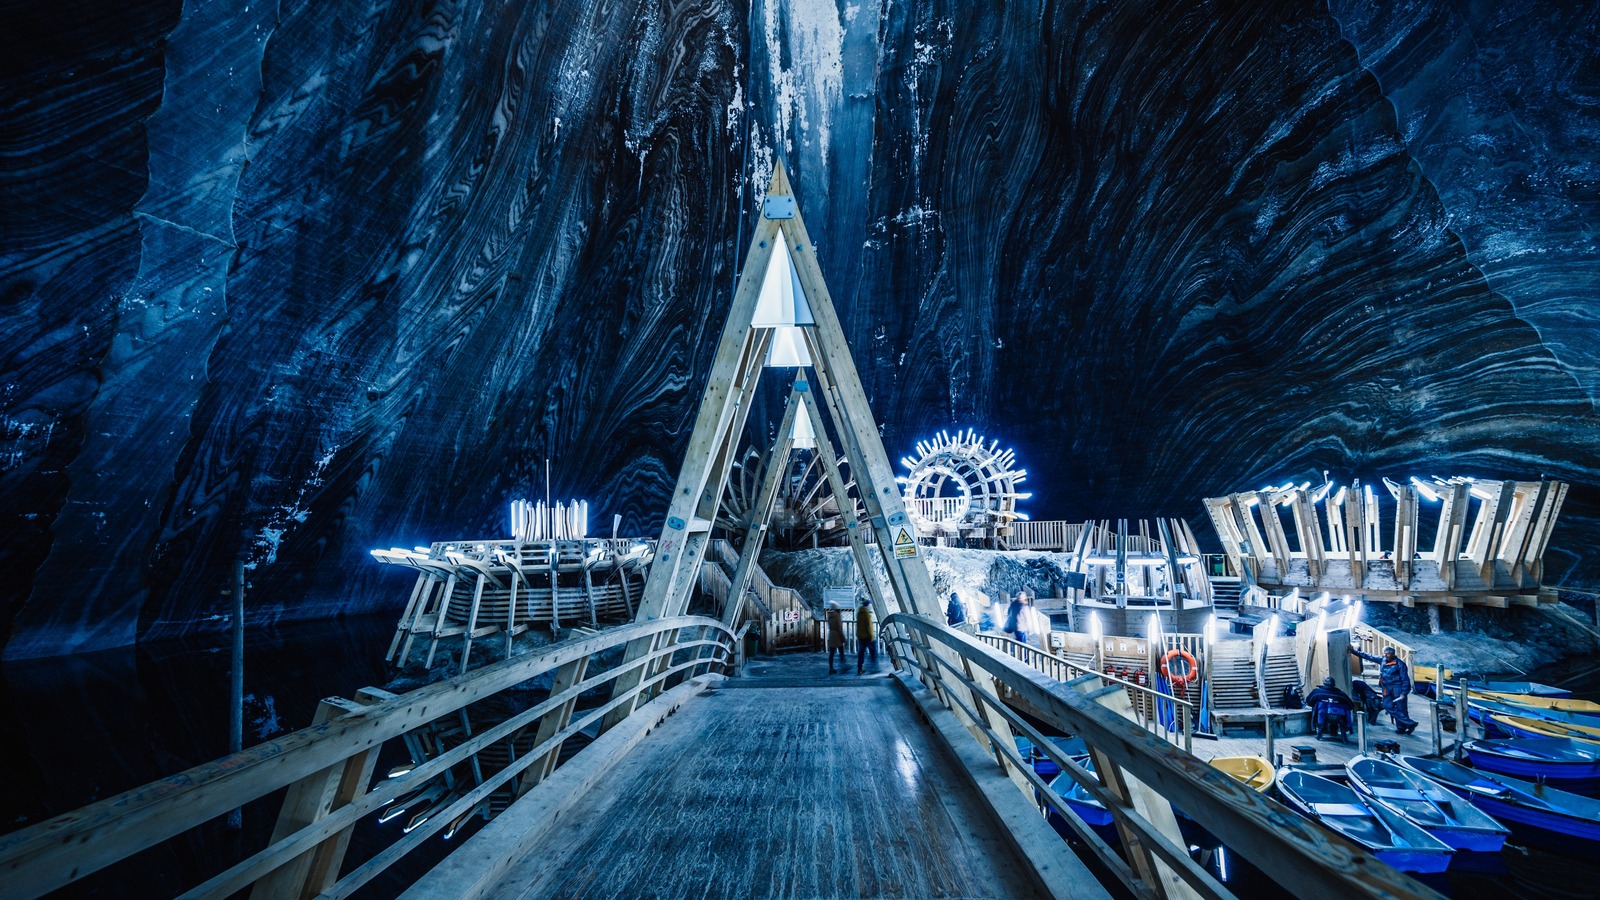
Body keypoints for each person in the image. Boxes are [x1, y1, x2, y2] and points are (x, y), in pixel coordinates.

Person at [1355, 646, 1418, 734]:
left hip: (1397, 688)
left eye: (1387, 654)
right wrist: (1353, 651)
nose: (1385, 655)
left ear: (1393, 654)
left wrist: (1404, 693)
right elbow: (1368, 656)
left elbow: (1405, 680)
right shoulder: (1382, 660)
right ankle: (1410, 723)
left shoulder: (1400, 665)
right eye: (1384, 653)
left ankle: (1401, 728)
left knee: (1401, 708)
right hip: (1386, 688)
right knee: (1387, 705)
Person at [1305, 676, 1354, 741]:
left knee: (1318, 706)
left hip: (1322, 716)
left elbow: (1309, 702)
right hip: (1339, 716)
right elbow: (1351, 705)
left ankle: (1318, 730)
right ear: (1334, 684)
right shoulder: (1341, 694)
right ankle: (1335, 731)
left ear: (1323, 683)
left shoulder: (1317, 692)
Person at [856, 597, 877, 674]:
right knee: (873, 652)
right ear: (867, 605)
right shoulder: (867, 614)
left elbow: (858, 625)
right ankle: (874, 668)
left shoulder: (859, 613)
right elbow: (869, 626)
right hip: (868, 637)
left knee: (861, 653)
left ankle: (860, 668)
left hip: (861, 636)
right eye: (870, 604)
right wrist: (872, 637)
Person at [825, 601, 846, 674]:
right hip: (837, 636)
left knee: (831, 654)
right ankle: (843, 667)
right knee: (841, 652)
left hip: (831, 635)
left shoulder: (830, 615)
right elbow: (839, 627)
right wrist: (843, 638)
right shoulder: (837, 615)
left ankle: (831, 668)